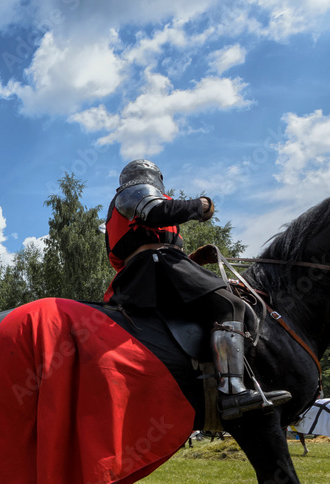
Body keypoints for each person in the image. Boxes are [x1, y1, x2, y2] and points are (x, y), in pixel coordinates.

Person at [103, 159, 291, 420]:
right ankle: (232, 392)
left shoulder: (127, 205)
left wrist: (193, 259)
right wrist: (201, 205)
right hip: (153, 268)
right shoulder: (132, 192)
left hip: (156, 268)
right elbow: (158, 214)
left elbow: (149, 241)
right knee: (231, 306)